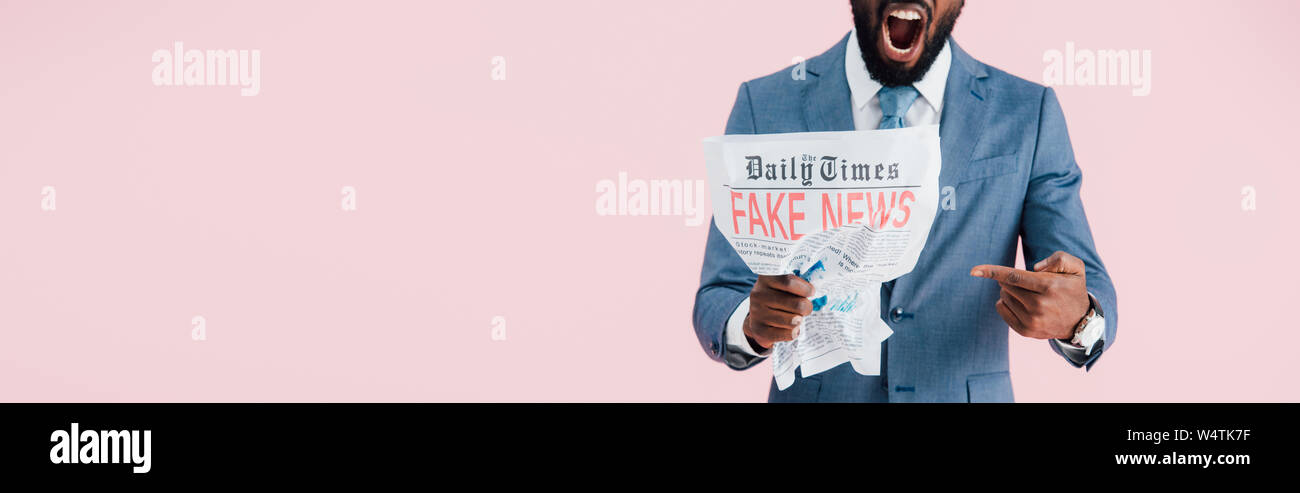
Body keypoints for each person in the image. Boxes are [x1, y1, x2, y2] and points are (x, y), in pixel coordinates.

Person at [692, 0, 1118, 402]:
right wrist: (751, 324)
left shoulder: (1028, 112)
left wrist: (1078, 319)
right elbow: (719, 293)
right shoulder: (765, 105)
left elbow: (1086, 284)